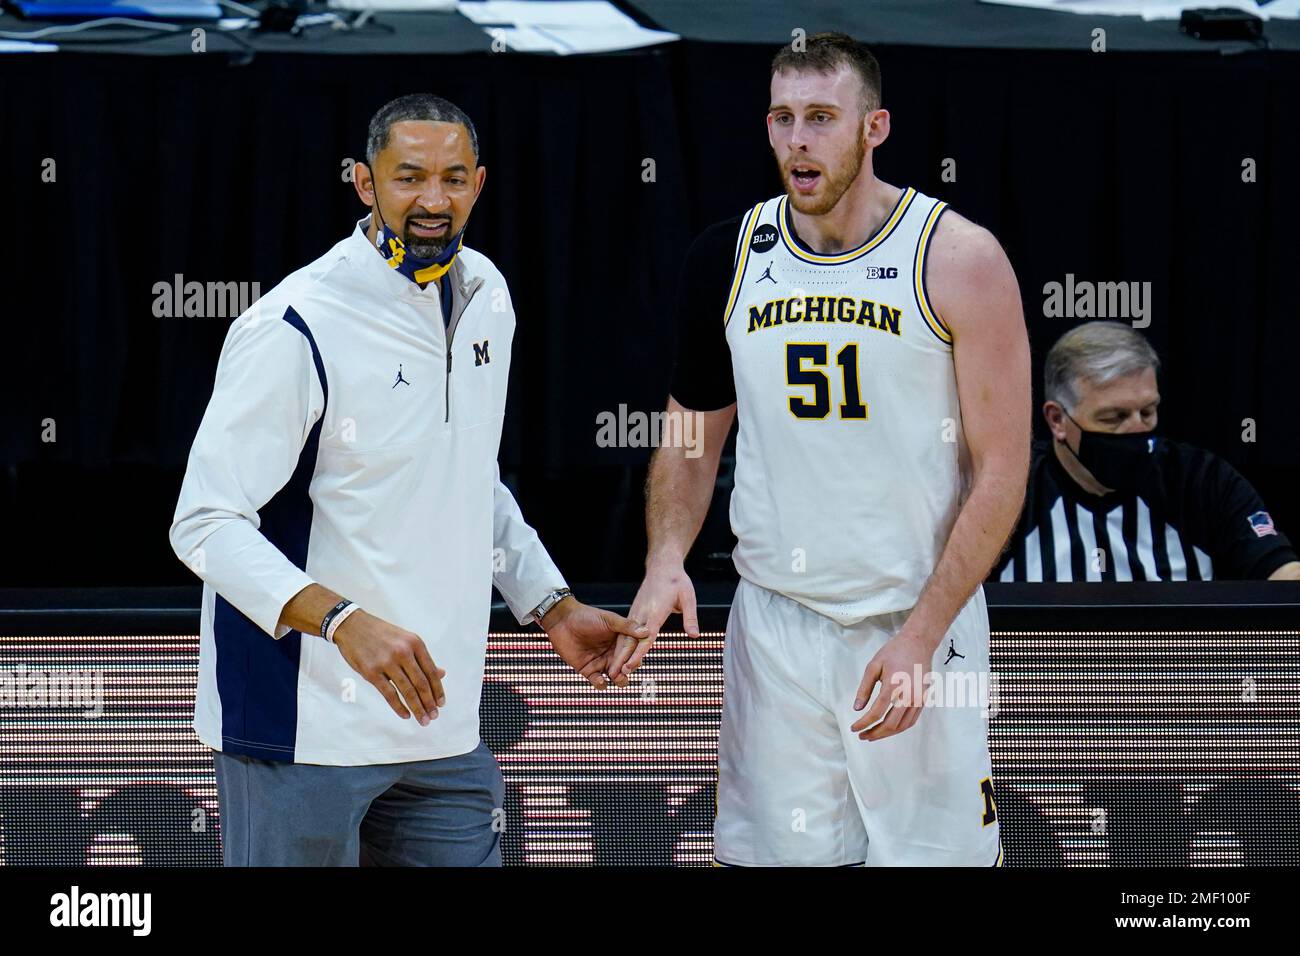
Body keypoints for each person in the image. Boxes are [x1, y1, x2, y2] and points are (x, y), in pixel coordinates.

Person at [169, 94, 647, 867]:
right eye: (409, 177)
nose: (433, 199)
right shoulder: (295, 323)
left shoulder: (488, 294)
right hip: (301, 725)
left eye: (454, 179)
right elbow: (205, 522)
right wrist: (342, 621)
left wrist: (548, 603)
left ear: (480, 184)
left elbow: (465, 478)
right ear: (365, 183)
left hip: (440, 725)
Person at [615, 33, 1031, 866]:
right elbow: (693, 432)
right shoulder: (727, 256)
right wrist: (667, 558)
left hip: (915, 615)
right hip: (776, 621)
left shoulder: (958, 258)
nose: (798, 140)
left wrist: (922, 635)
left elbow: (1003, 473)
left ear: (873, 128)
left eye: (820, 118)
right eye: (782, 118)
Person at [994, 321, 1300, 582]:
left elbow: (1282, 575)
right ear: (1057, 419)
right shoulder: (1012, 492)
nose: (1136, 429)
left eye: (1147, 412)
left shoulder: (1199, 480)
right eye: (1114, 417)